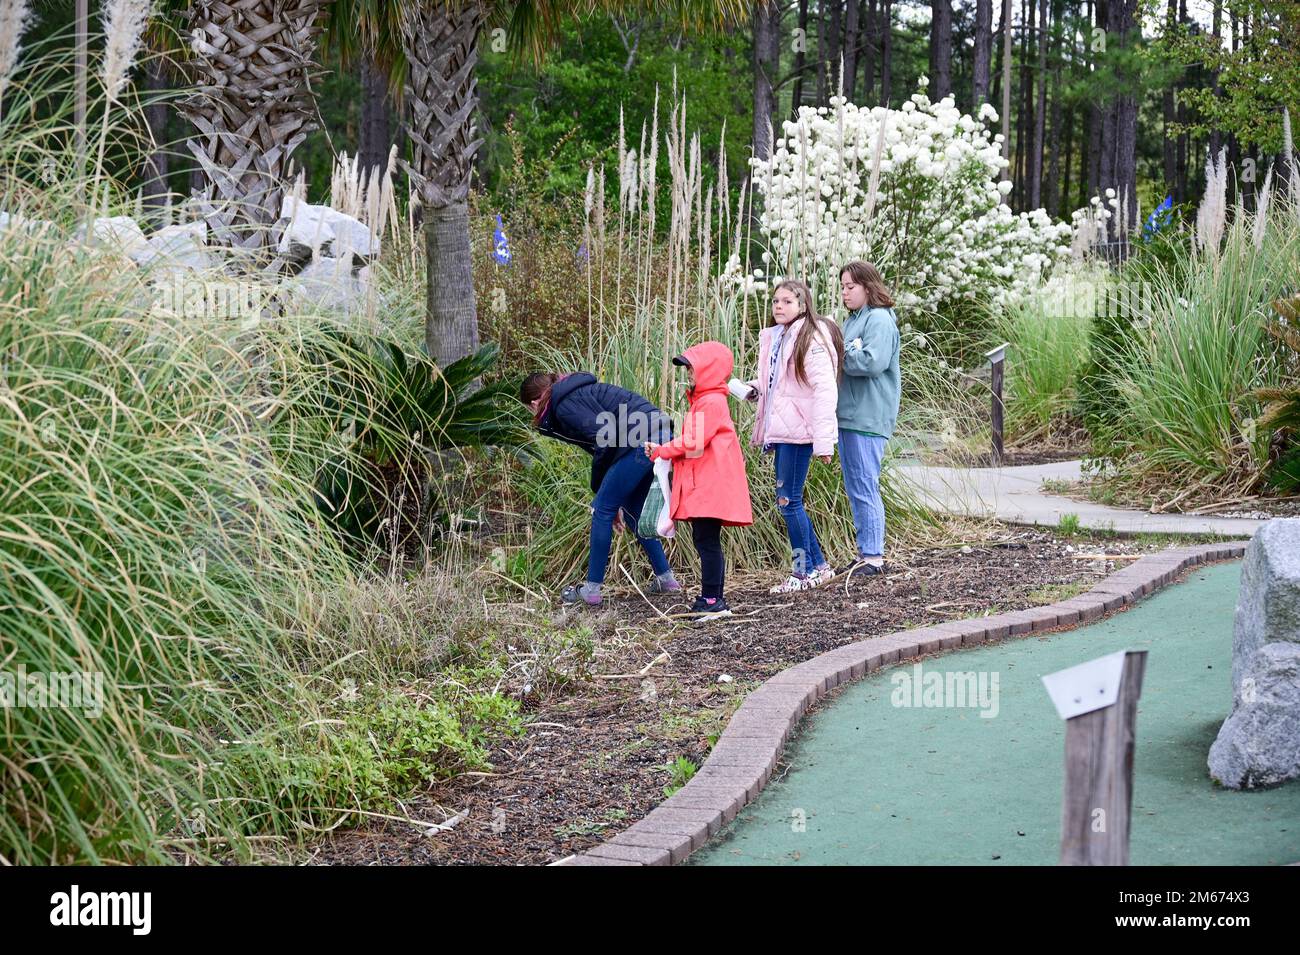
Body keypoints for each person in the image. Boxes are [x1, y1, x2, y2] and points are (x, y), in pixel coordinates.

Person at [521, 371, 681, 606]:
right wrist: (609, 492)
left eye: (528, 408)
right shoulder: (572, 394)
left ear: (534, 402)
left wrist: (601, 491)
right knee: (633, 509)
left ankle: (592, 590)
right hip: (658, 432)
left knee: (602, 510)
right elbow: (604, 443)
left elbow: (603, 438)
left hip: (640, 438)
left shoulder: (564, 404)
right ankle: (666, 580)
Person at [744, 279, 845, 594]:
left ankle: (801, 573)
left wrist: (823, 441)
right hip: (784, 430)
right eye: (776, 301)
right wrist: (753, 389)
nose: (778, 306)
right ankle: (819, 567)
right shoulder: (779, 337)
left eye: (787, 301)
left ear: (803, 305)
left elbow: (826, 389)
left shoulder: (810, 338)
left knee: (789, 502)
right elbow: (778, 384)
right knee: (788, 501)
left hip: (800, 433)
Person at [645, 341, 753, 617]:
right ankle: (713, 597)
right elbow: (695, 443)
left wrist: (662, 450)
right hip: (710, 483)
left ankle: (712, 600)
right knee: (707, 540)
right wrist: (665, 451)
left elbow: (694, 441)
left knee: (706, 540)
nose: (689, 372)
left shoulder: (710, 402)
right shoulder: (708, 400)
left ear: (708, 369)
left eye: (692, 367)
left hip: (710, 485)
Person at [837, 261, 901, 579]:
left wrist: (837, 356)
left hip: (868, 415)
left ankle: (874, 557)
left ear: (868, 286)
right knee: (855, 486)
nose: (845, 293)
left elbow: (873, 362)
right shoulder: (852, 320)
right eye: (843, 287)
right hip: (848, 415)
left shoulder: (879, 319)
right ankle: (865, 552)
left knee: (865, 485)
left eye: (851, 287)